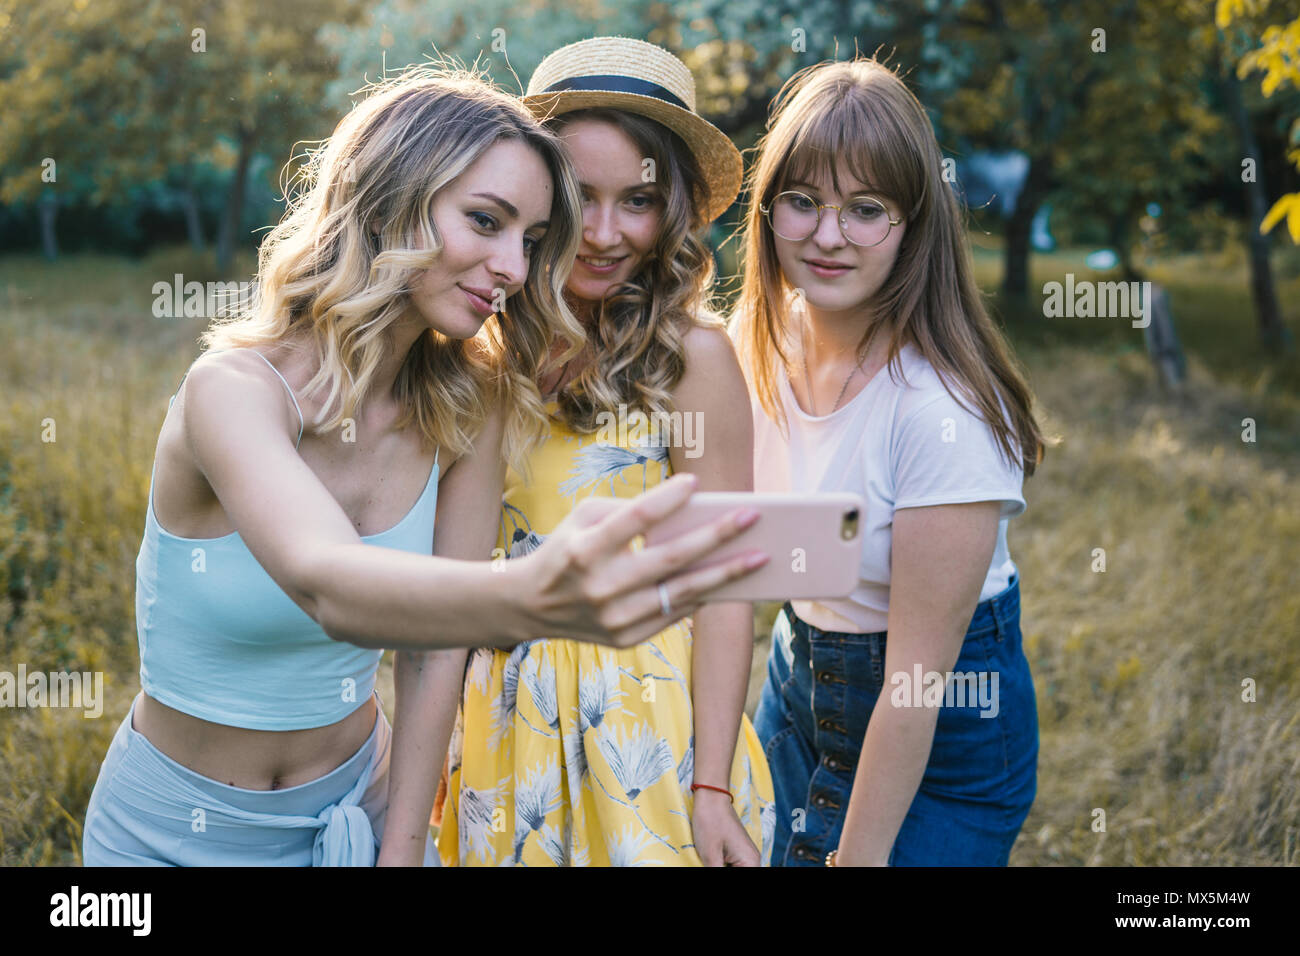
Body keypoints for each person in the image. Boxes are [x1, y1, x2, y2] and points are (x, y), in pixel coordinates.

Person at [80, 64, 767, 868]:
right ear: (390, 200)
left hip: (361, 803)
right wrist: (530, 595)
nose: (514, 266)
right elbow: (326, 581)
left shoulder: (465, 402)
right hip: (174, 828)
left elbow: (433, 648)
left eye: (534, 240)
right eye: (486, 221)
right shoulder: (230, 392)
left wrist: (402, 842)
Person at [395, 37, 775, 867]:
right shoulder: (481, 345)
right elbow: (450, 597)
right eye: (579, 198)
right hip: (506, 725)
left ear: (669, 208)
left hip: (648, 719)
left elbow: (724, 588)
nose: (603, 234)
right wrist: (424, 769)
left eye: (636, 201)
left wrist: (710, 784)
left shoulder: (690, 356)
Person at [732, 58, 1046, 866]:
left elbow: (914, 685)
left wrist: (856, 856)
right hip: (799, 681)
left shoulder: (943, 415)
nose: (827, 235)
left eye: (865, 209)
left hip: (939, 729)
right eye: (801, 202)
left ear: (913, 223)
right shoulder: (752, 345)